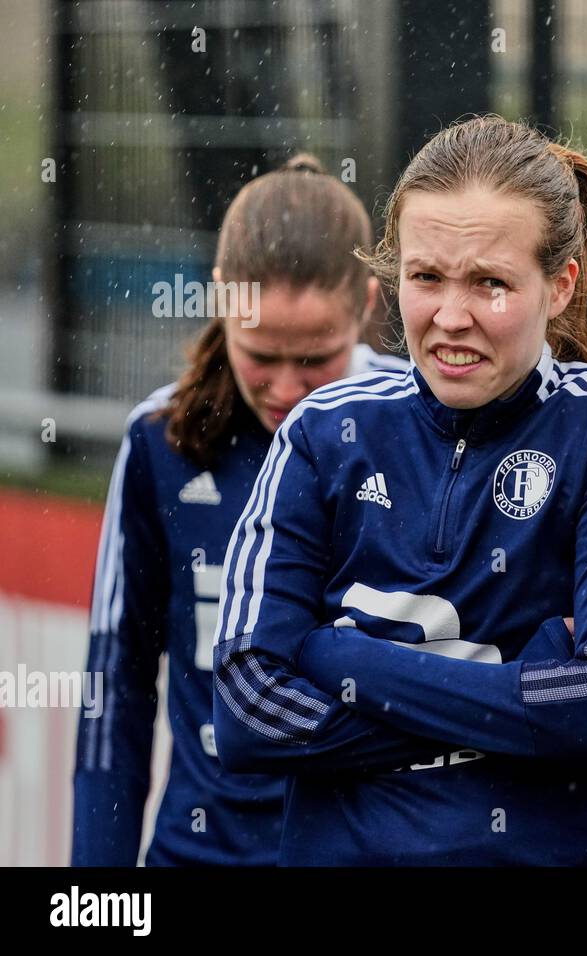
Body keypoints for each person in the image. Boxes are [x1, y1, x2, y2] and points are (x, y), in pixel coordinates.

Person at [211, 115, 587, 865]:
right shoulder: (323, 429)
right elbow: (245, 716)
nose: (451, 317)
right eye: (426, 277)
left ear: (560, 286)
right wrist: (518, 684)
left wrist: (347, 661)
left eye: (491, 283)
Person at [73, 153, 401, 865]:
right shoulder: (159, 440)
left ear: (366, 307)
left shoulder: (418, 428)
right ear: (221, 300)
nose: (285, 389)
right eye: (260, 355)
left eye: (315, 358)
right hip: (201, 853)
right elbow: (115, 685)